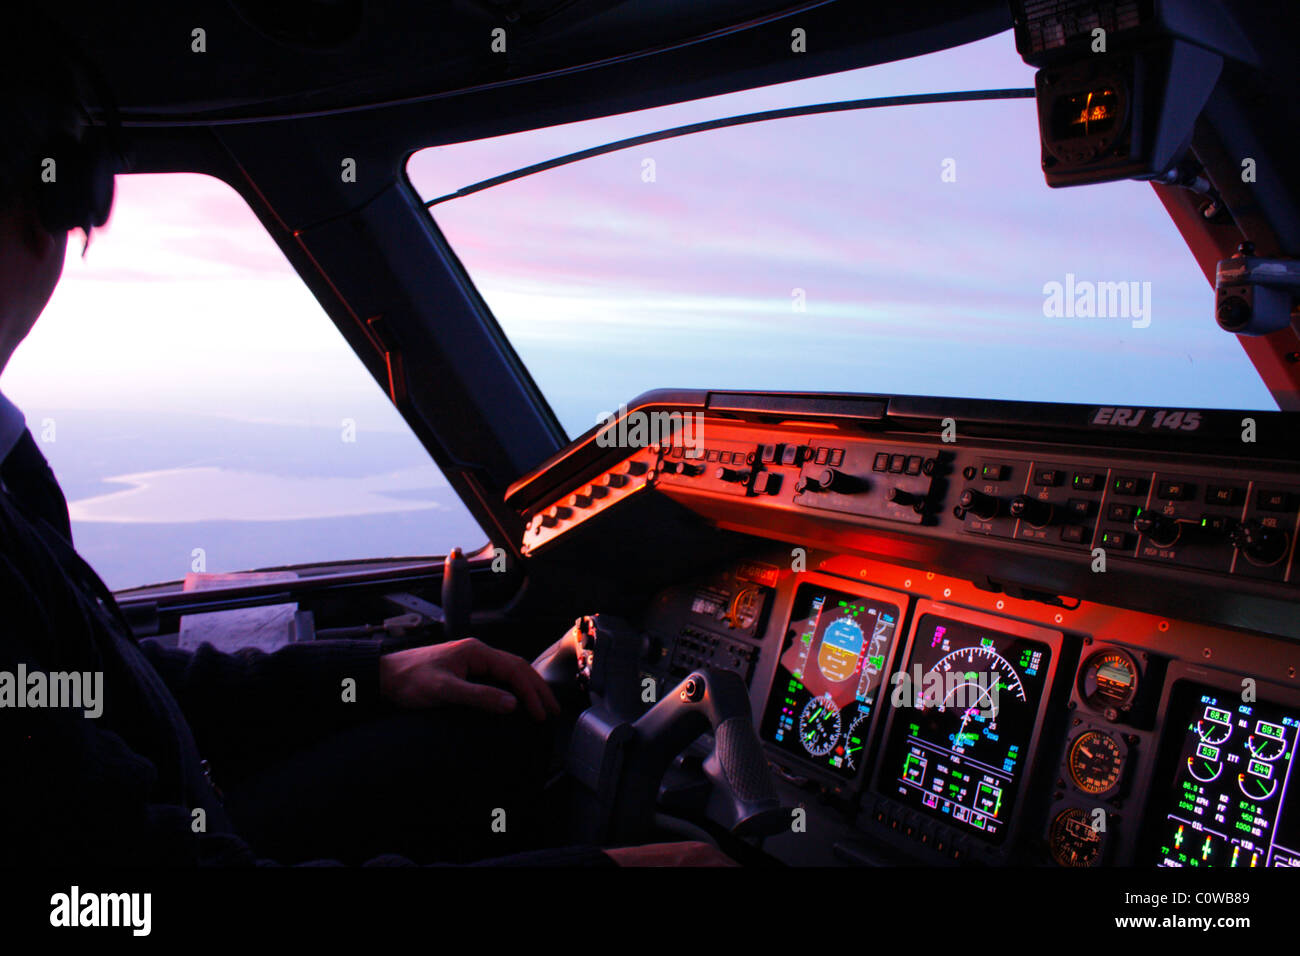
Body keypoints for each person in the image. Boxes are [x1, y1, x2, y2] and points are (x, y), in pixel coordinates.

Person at [0, 10, 730, 869]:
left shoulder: (8, 460)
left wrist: (377, 673)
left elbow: (112, 684)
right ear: (47, 203)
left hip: (179, 794)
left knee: (485, 731)